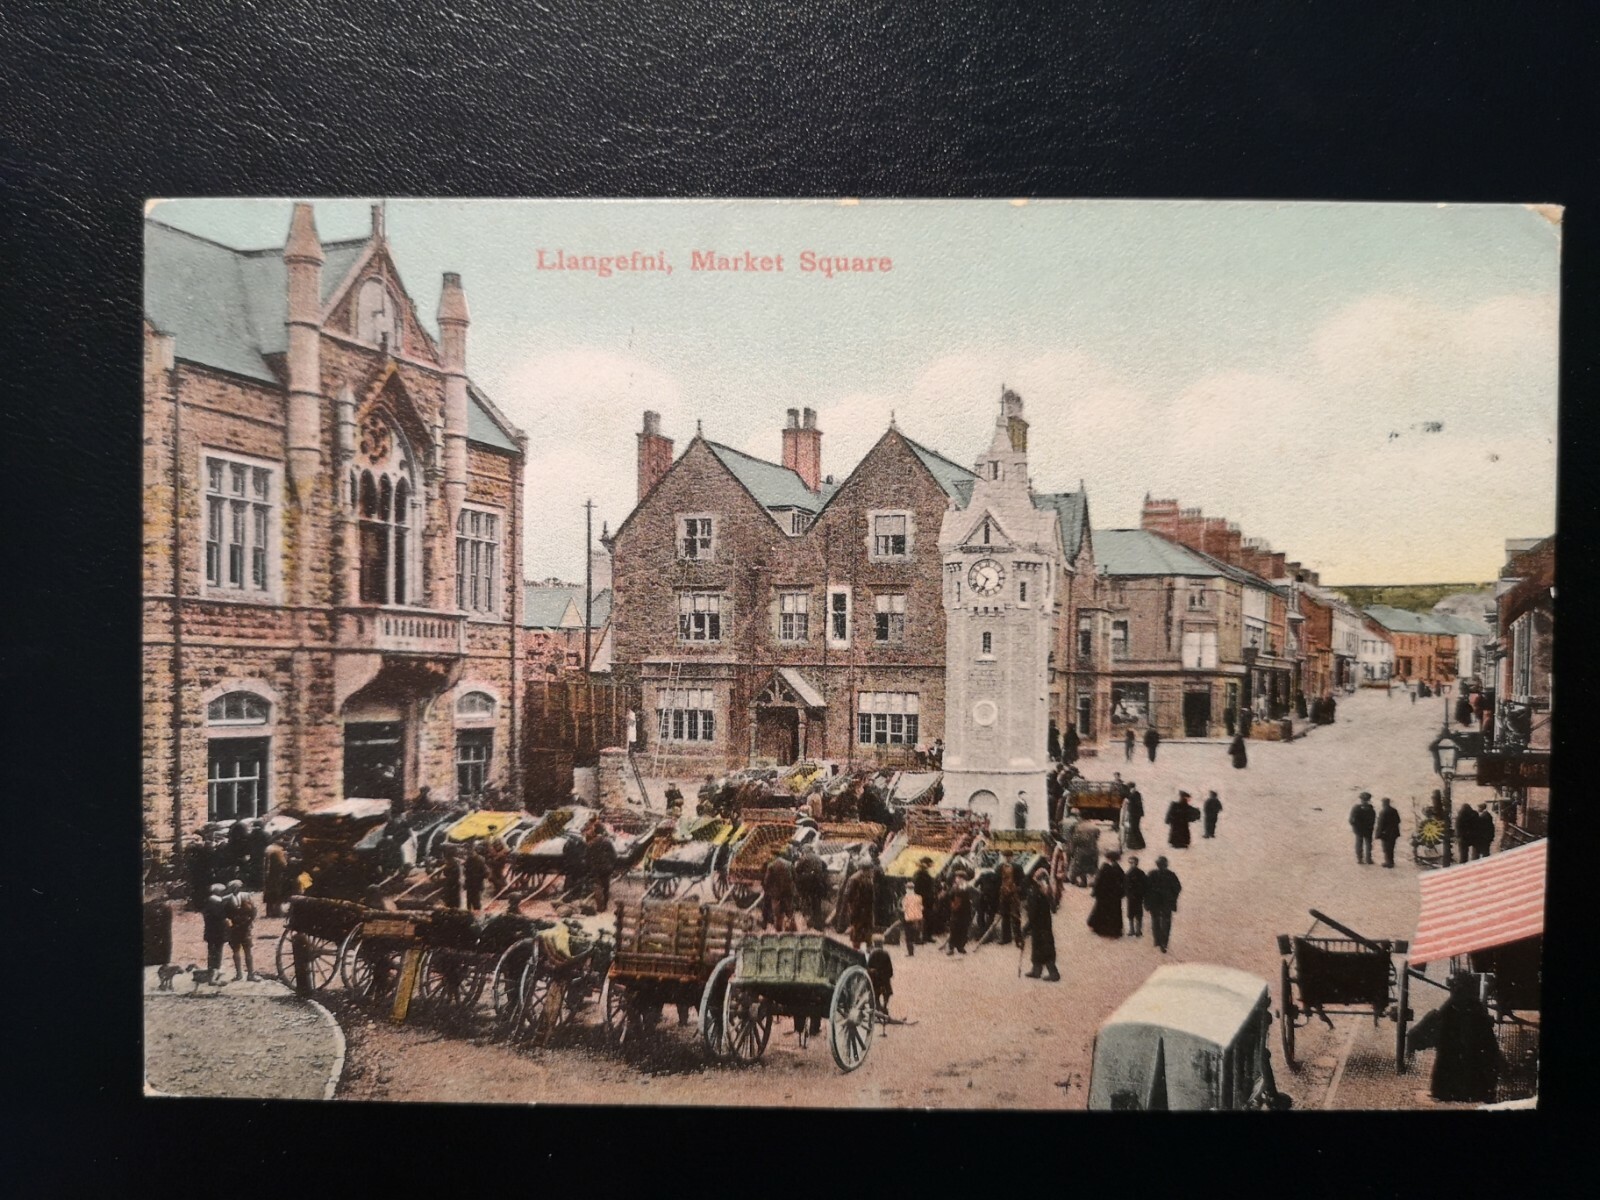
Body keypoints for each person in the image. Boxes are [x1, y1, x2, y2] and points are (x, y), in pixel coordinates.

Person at [1407, 972, 1502, 1103]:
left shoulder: (1445, 1014)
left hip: (1446, 1089)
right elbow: (1493, 1053)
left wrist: (1411, 1046)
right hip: (1478, 1089)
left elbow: (1417, 1038)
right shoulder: (1479, 1016)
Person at [1023, 868, 1061, 980]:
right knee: (1046, 947)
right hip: (1046, 924)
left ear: (1035, 878)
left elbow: (1032, 913)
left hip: (1037, 925)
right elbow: (1054, 908)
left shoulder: (1034, 892)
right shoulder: (1048, 890)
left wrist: (1026, 927)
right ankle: (1037, 970)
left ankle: (1052, 974)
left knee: (1039, 947)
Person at [1144, 856, 1182, 953]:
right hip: (1167, 903)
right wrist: (1172, 898)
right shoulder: (1171, 875)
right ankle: (1164, 943)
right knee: (1166, 923)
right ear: (1166, 865)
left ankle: (1157, 940)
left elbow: (1146, 890)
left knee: (1155, 921)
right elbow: (1177, 888)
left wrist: (1147, 902)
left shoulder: (1152, 874)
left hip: (1155, 903)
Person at [1086, 849, 1126, 938]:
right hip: (1115, 897)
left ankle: (1101, 929)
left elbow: (1098, 881)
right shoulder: (1119, 869)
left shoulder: (1105, 867)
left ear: (1109, 859)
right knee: (1114, 913)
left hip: (1104, 895)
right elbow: (1124, 883)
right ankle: (1114, 930)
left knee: (1102, 911)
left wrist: (1095, 891)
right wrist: (1121, 894)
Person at [224, 879, 258, 981]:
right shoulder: (227, 899)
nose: (235, 889)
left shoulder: (246, 896)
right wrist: (228, 924)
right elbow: (224, 914)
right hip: (234, 928)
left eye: (237, 887)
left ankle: (251, 974)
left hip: (245, 928)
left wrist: (250, 921)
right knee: (236, 951)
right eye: (232, 888)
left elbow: (253, 910)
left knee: (248, 951)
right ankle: (239, 974)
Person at [842, 862, 877, 949]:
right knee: (857, 932)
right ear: (866, 870)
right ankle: (856, 951)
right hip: (858, 909)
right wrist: (851, 907)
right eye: (871, 870)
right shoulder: (855, 878)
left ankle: (868, 950)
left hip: (866, 909)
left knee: (867, 931)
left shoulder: (867, 877)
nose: (872, 872)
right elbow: (847, 894)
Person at [794, 844, 828, 930]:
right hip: (818, 884)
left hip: (808, 885)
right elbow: (825, 866)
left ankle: (808, 922)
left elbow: (797, 869)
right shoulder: (818, 857)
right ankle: (818, 924)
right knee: (817, 904)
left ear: (805, 850)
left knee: (806, 901)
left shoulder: (804, 858)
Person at [762, 848, 797, 931]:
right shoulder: (789, 864)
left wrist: (768, 889)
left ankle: (778, 929)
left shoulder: (771, 865)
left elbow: (766, 880)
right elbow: (795, 877)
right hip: (788, 891)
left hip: (776, 893)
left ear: (774, 855)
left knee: (777, 913)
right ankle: (792, 928)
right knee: (790, 910)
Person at [201, 883, 229, 985]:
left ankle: (212, 973)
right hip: (217, 932)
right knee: (217, 954)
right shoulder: (217, 903)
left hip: (210, 932)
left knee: (212, 953)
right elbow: (221, 916)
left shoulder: (208, 902)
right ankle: (213, 975)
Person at [997, 850, 1024, 946]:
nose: (1007, 858)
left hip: (1014, 895)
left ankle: (1018, 938)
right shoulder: (999, 867)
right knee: (1005, 916)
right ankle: (1005, 938)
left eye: (1009, 856)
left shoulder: (1017, 867)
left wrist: (1016, 889)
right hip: (1003, 894)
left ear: (1012, 857)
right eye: (1005, 857)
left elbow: (1022, 881)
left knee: (1016, 916)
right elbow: (997, 880)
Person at [586, 829, 617, 911]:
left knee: (597, 885)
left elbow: (587, 858)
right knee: (606, 886)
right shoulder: (607, 842)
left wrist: (590, 867)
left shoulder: (590, 844)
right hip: (606, 868)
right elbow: (614, 855)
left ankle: (600, 906)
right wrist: (611, 865)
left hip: (596, 868)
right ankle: (605, 905)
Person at [865, 935, 895, 1018]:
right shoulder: (885, 954)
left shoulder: (871, 953)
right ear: (882, 944)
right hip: (884, 979)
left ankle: (878, 1007)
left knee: (876, 994)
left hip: (874, 979)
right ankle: (884, 1006)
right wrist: (887, 976)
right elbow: (890, 970)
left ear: (874, 943)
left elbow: (868, 966)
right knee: (887, 992)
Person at [262, 836, 291, 918]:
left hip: (269, 875)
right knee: (277, 893)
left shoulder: (269, 848)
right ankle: (277, 911)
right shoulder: (278, 850)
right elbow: (283, 864)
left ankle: (269, 912)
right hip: (276, 875)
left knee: (269, 894)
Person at [910, 856, 937, 944]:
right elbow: (919, 888)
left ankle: (926, 936)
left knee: (927, 918)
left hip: (926, 899)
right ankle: (920, 937)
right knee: (921, 918)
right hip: (923, 899)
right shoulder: (920, 874)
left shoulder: (920, 873)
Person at [945, 873, 973, 954]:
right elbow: (949, 896)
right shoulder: (954, 888)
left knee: (964, 930)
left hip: (965, 911)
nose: (959, 879)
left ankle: (960, 946)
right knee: (954, 929)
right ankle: (951, 947)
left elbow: (972, 896)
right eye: (957, 878)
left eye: (961, 878)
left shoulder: (967, 887)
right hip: (956, 911)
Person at [1069, 819, 1101, 887]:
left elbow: (1072, 847)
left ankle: (1082, 881)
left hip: (1082, 854)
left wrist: (1071, 854)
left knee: (1080, 868)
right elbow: (1096, 840)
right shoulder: (1091, 835)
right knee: (1093, 868)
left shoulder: (1076, 835)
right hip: (1093, 852)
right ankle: (1096, 881)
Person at [1350, 792, 1377, 865]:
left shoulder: (1358, 808)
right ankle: (1364, 859)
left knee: (1364, 844)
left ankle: (1364, 859)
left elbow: (1351, 820)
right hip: (1364, 830)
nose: (1364, 801)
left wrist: (1355, 827)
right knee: (1364, 844)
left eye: (1366, 800)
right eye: (1364, 800)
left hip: (1364, 830)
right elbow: (1352, 820)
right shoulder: (1369, 809)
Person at [1124, 855, 1146, 938]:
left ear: (1136, 863)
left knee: (1138, 914)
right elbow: (1125, 885)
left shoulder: (1139, 873)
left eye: (1133, 862)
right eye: (1130, 862)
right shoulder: (1129, 873)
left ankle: (1138, 930)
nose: (1132, 864)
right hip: (1132, 897)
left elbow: (1144, 885)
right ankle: (1132, 930)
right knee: (1131, 914)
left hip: (1137, 896)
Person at [1375, 798, 1402, 868]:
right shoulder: (1394, 810)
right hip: (1394, 832)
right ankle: (1391, 861)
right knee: (1391, 847)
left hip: (1386, 833)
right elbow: (1398, 820)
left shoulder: (1383, 812)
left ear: (1383, 803)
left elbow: (1380, 824)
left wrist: (1377, 834)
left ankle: (1388, 862)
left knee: (1386, 848)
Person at [464, 844, 490, 913]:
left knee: (475, 902)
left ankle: (475, 914)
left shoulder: (479, 860)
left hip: (476, 883)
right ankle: (471, 914)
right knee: (470, 901)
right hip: (471, 883)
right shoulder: (469, 859)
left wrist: (478, 876)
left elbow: (486, 873)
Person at [900, 882, 923, 957]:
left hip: (908, 919)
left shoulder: (905, 898)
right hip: (917, 919)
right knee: (914, 934)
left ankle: (910, 952)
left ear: (907, 889)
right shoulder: (919, 897)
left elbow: (904, 909)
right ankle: (917, 941)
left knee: (908, 936)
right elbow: (921, 908)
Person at [1123, 782, 1146, 851]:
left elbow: (1133, 801)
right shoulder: (1135, 794)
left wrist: (1128, 800)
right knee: (1135, 828)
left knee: (1133, 828)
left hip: (1135, 814)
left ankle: (1136, 845)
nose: (1131, 789)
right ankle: (1139, 844)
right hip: (1135, 814)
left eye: (1132, 788)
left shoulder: (1136, 794)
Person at [1456, 801, 1477, 865]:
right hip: (1472, 836)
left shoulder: (1460, 816)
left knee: (1463, 854)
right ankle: (1474, 863)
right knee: (1475, 853)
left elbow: (1458, 827)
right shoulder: (1473, 814)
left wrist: (1458, 836)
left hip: (1463, 837)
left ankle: (1463, 865)